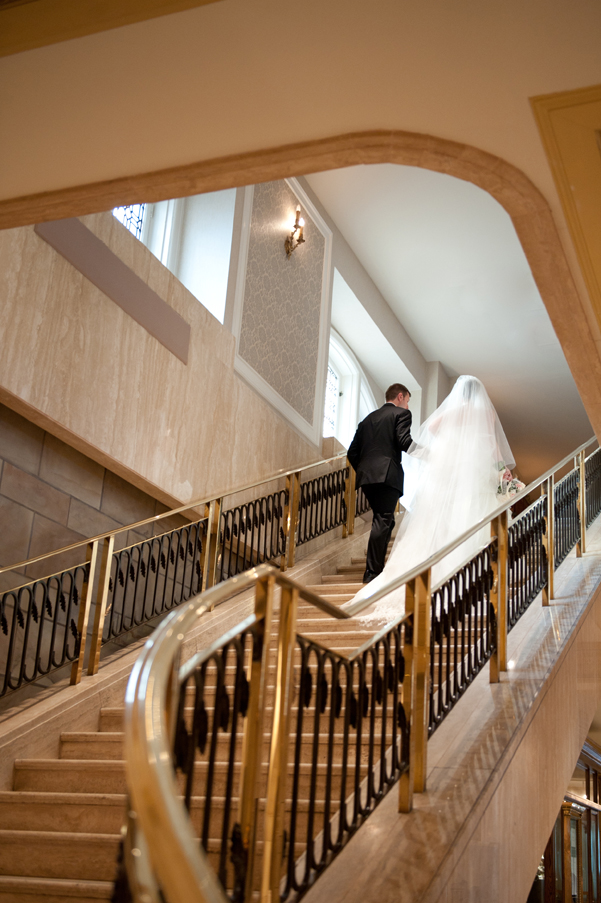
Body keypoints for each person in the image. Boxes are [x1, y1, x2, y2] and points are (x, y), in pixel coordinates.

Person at [348, 375, 522, 624]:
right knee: (472, 515)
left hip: (383, 475)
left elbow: (430, 428)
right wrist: (501, 468)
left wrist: (446, 451)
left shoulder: (371, 420)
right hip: (473, 471)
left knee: (428, 518)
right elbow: (494, 445)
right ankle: (476, 575)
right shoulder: (486, 413)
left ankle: (378, 572)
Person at [347, 383, 413, 583]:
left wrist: (366, 469)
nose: (408, 406)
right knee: (384, 519)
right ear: (400, 397)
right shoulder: (401, 414)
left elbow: (352, 453)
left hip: (367, 478)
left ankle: (376, 568)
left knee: (386, 520)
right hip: (387, 475)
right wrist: (427, 453)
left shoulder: (367, 420)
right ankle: (372, 573)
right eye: (408, 401)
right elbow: (404, 441)